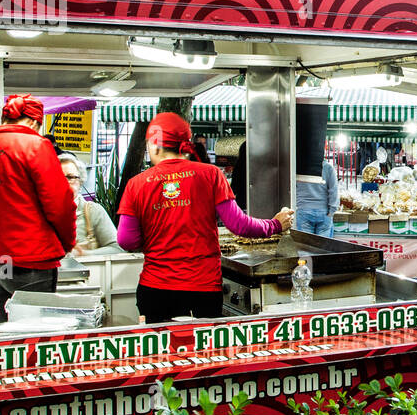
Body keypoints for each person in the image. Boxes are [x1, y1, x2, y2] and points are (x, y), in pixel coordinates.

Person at [117, 112, 293, 324]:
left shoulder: (136, 184)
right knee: (204, 351)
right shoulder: (210, 174)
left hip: (155, 289)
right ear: (185, 144)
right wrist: (275, 224)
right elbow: (238, 225)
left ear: (155, 144)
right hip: (202, 289)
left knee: (163, 353)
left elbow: (127, 241)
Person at [0, 94, 76, 324]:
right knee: (31, 335)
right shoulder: (36, 146)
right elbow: (59, 205)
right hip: (32, 261)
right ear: (34, 122)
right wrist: (66, 243)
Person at [59, 153, 119, 255]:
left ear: (80, 181)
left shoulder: (93, 210)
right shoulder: (41, 213)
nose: (65, 182)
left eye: (70, 177)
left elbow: (117, 248)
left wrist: (83, 254)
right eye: (59, 177)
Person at [296, 157, 339, 237]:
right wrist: (332, 210)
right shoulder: (328, 167)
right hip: (324, 212)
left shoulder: (298, 167)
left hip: (303, 210)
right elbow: (334, 190)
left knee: (305, 246)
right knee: (322, 247)